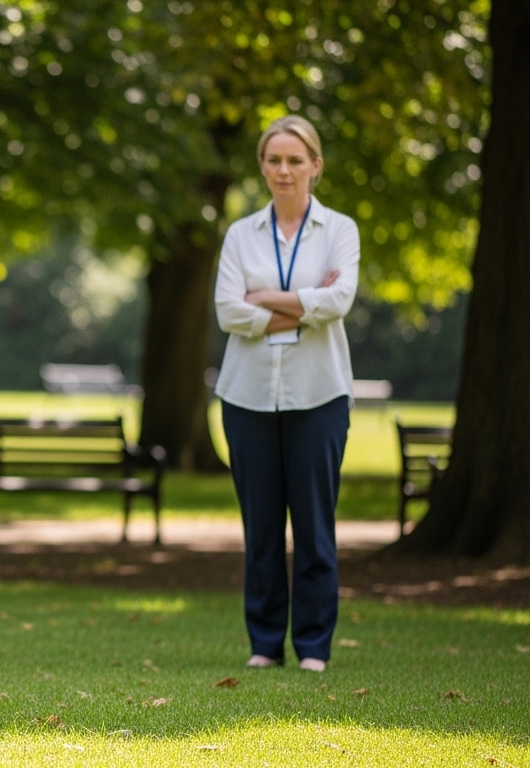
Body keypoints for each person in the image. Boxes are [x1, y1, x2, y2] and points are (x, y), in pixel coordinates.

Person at [212, 115, 360, 674]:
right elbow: (227, 311)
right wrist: (304, 302)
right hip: (247, 397)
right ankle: (266, 643)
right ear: (261, 166)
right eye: (274, 160)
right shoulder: (240, 234)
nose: (284, 170)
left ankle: (314, 647)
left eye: (296, 160)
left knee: (315, 528)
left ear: (315, 166)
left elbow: (339, 301)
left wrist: (264, 298)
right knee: (262, 530)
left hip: (320, 395)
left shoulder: (340, 230)